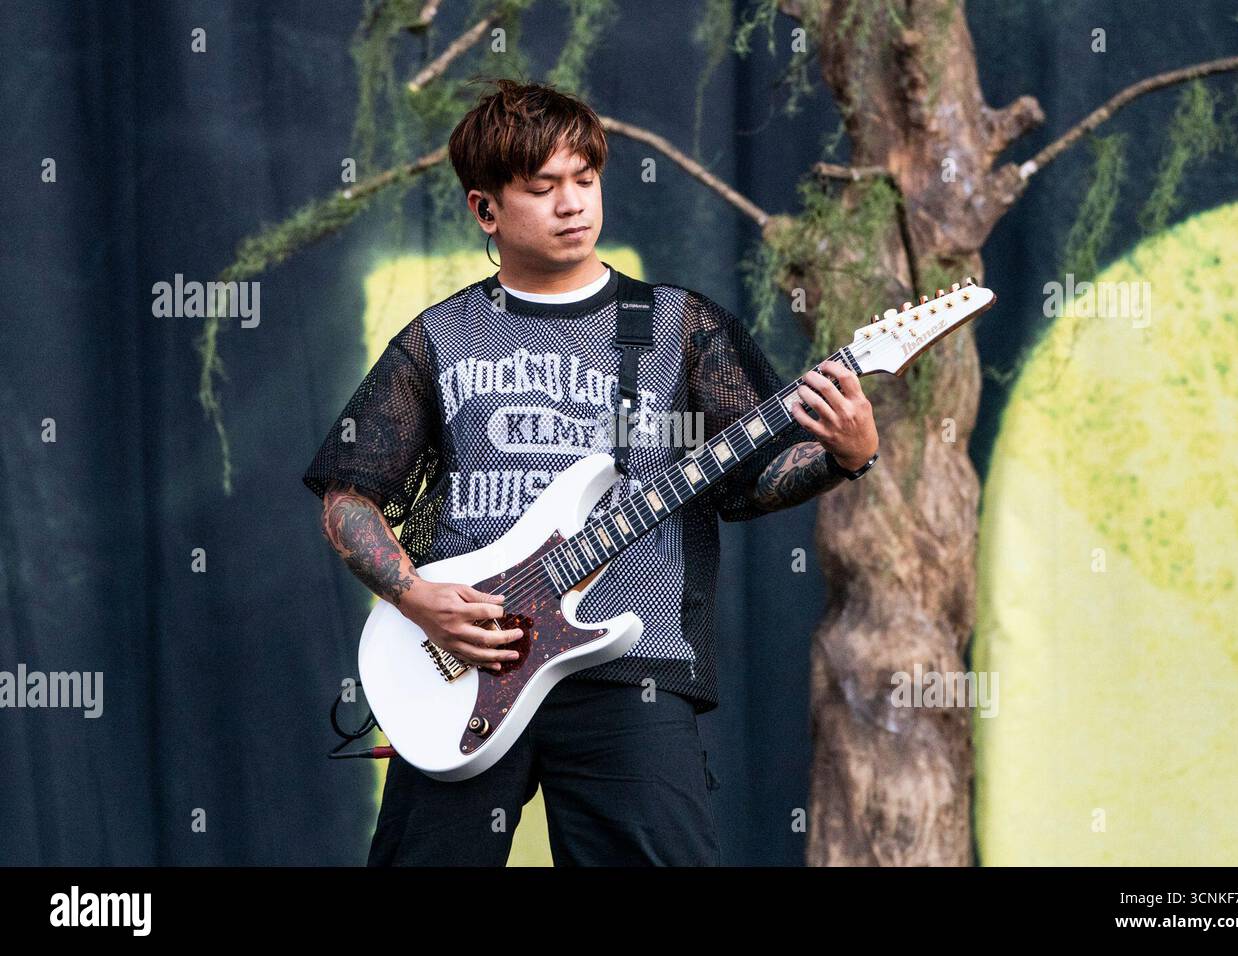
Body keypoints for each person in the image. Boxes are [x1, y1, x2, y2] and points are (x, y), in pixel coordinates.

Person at [302, 78, 880, 866]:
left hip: (628, 669)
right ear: (486, 210)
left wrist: (846, 454)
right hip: (467, 664)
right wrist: (417, 596)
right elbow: (348, 495)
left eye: (585, 179)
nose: (572, 203)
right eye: (542, 188)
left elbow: (751, 481)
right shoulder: (440, 337)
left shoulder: (678, 327)